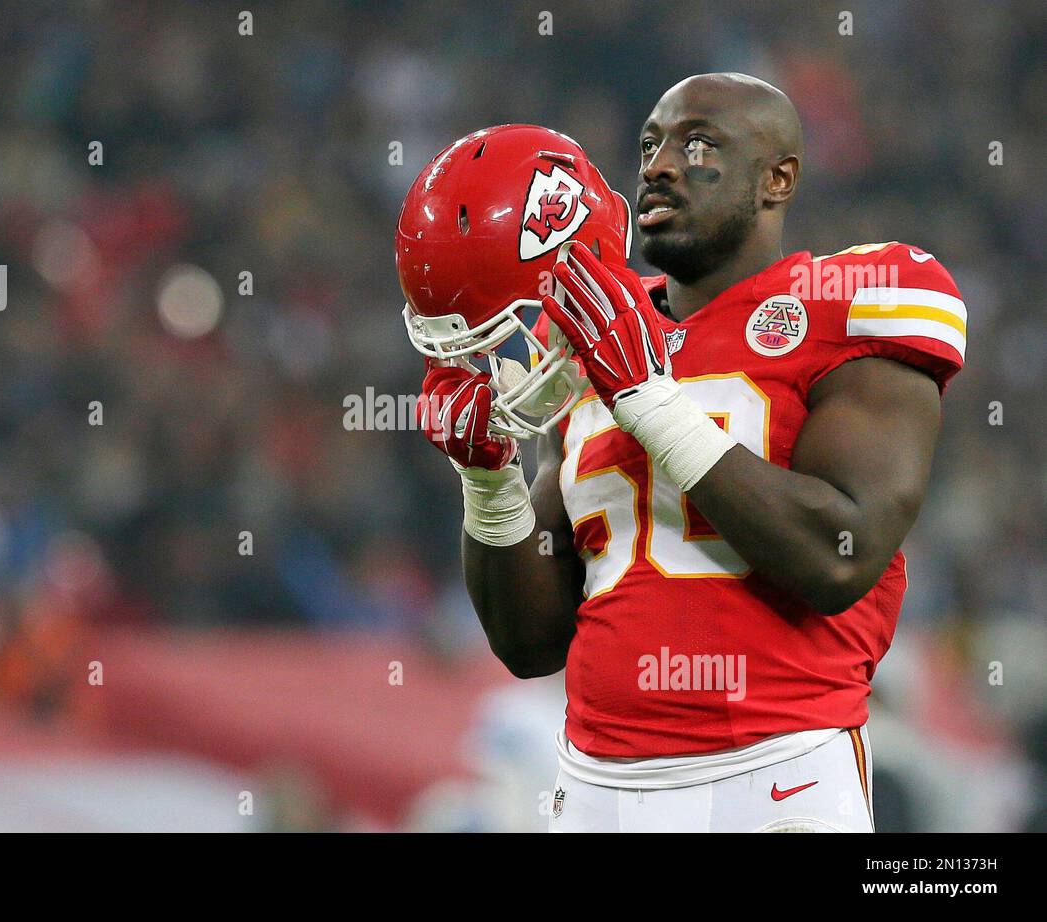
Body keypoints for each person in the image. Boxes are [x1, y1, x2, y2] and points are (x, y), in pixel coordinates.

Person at [397, 74, 967, 832]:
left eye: (697, 144)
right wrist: (488, 479)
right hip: (590, 788)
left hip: (773, 779)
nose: (660, 165)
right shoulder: (590, 338)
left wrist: (651, 401)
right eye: (649, 144)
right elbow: (528, 643)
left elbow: (839, 556)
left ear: (778, 177)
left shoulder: (852, 299)